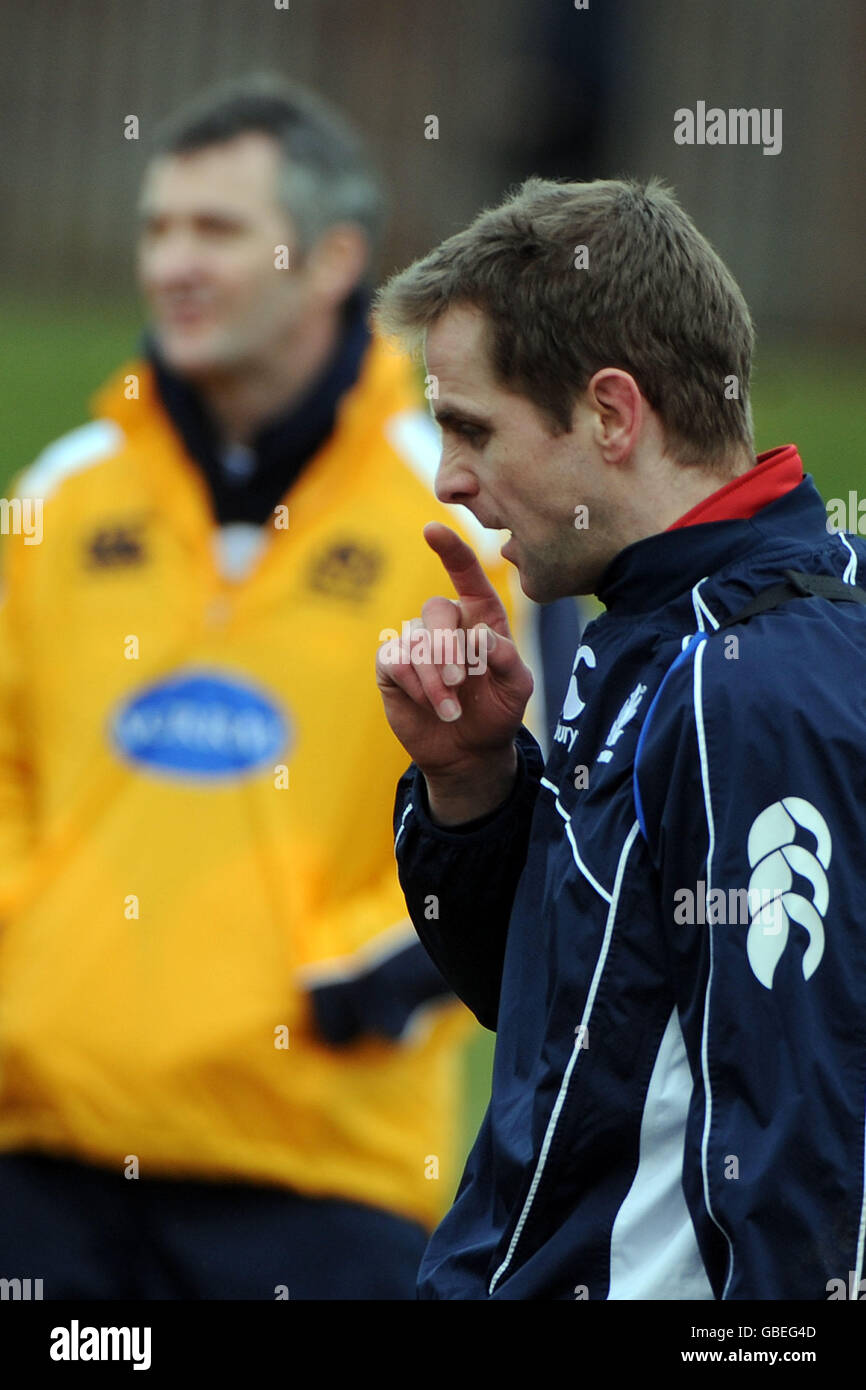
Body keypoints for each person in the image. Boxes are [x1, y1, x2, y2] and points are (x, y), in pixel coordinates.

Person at [0, 75, 577, 1300]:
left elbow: (548, 805)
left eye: (215, 229)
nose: (173, 263)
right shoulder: (59, 493)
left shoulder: (456, 511)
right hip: (38, 1164)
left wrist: (359, 981)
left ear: (330, 260)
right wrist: (31, 958)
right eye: (158, 228)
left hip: (322, 1181)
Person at [373, 176, 866, 1300]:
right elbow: (587, 1032)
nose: (449, 479)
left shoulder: (753, 685)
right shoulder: (661, 631)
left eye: (470, 427)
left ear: (609, 413)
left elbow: (807, 1172)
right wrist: (474, 787)